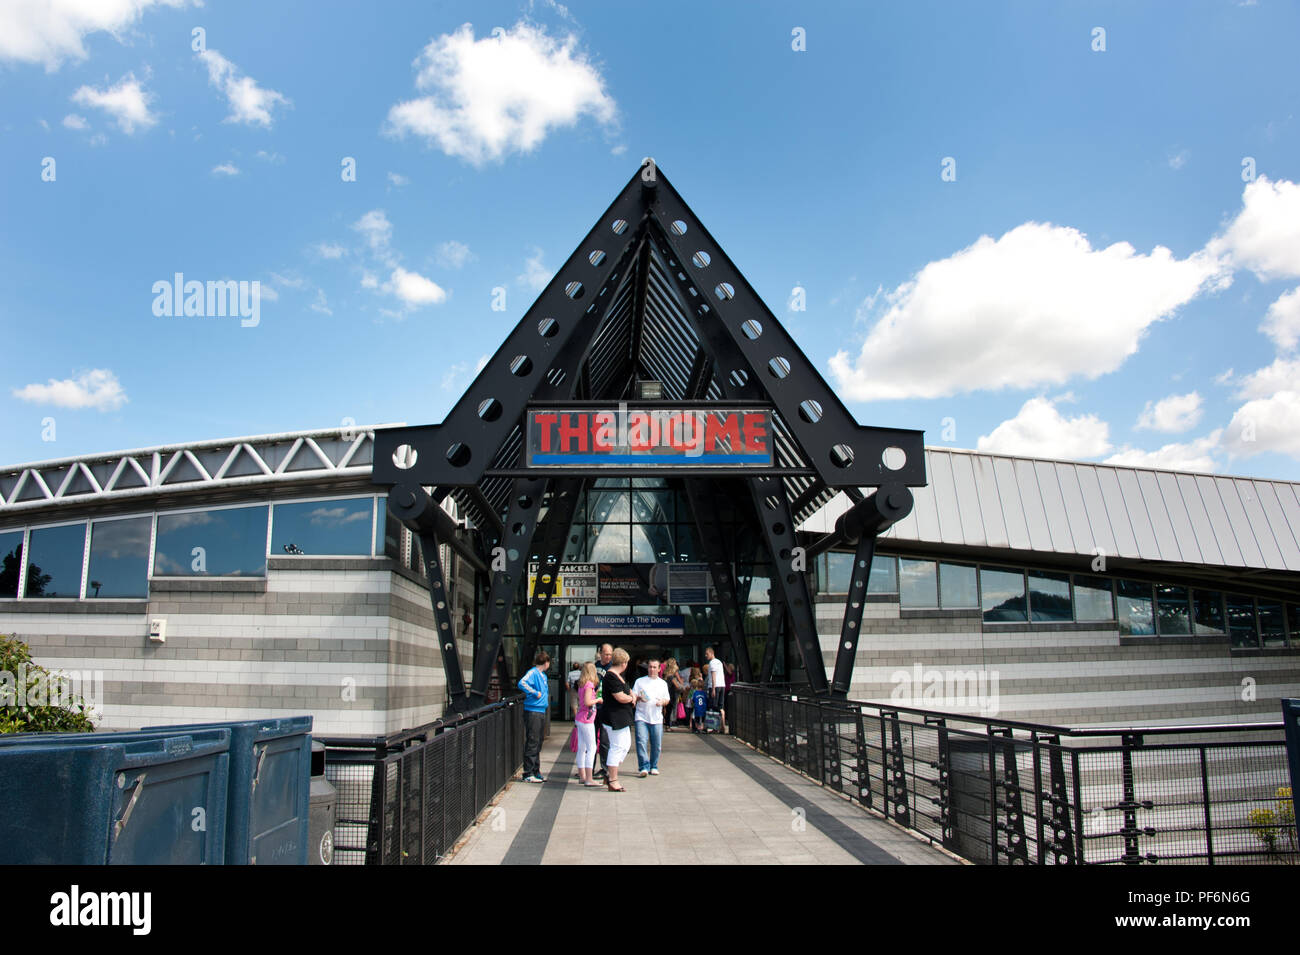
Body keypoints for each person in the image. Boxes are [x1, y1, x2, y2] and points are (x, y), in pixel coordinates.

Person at [600, 648, 636, 792]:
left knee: (625, 745)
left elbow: (627, 690)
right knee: (617, 747)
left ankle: (610, 772)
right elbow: (620, 696)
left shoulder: (618, 676)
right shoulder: (611, 677)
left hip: (622, 717)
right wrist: (632, 698)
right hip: (614, 717)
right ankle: (613, 779)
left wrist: (631, 695)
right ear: (624, 663)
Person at [632, 658, 671, 776]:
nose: (652, 669)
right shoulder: (640, 681)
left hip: (656, 718)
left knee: (656, 744)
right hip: (641, 716)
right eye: (650, 667)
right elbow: (634, 695)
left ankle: (654, 766)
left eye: (654, 667)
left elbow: (667, 699)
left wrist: (662, 702)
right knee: (641, 741)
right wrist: (638, 698)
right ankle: (643, 766)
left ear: (659, 669)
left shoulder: (663, 683)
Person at [517, 650, 550, 783]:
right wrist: (535, 692)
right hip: (533, 710)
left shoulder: (542, 675)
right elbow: (522, 683)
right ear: (546, 662)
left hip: (540, 710)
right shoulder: (533, 673)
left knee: (537, 741)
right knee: (533, 741)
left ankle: (535, 771)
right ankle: (528, 772)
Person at [574, 661, 600, 786]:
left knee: (582, 748)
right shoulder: (589, 684)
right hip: (587, 719)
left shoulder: (581, 684)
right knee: (592, 748)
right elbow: (588, 702)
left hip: (580, 718)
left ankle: (582, 775)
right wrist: (598, 699)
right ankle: (589, 778)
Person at [593, 643, 614, 779]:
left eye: (610, 654)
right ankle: (588, 768)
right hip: (594, 707)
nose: (608, 657)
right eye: (606, 654)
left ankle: (605, 768)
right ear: (600, 653)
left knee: (605, 741)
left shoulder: (613, 668)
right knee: (591, 740)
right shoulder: (594, 667)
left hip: (606, 708)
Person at [705, 646, 726, 732]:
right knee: (720, 707)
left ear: (711, 653)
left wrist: (713, 688)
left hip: (715, 686)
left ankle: (715, 727)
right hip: (722, 685)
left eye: (707, 654)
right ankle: (723, 725)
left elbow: (713, 675)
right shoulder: (719, 662)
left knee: (714, 707)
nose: (706, 656)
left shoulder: (712, 662)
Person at [662, 658, 684, 731]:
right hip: (671, 695)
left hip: (665, 694)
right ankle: (668, 726)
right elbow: (678, 686)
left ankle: (666, 724)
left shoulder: (665, 674)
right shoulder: (671, 676)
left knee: (665, 710)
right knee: (669, 711)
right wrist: (682, 688)